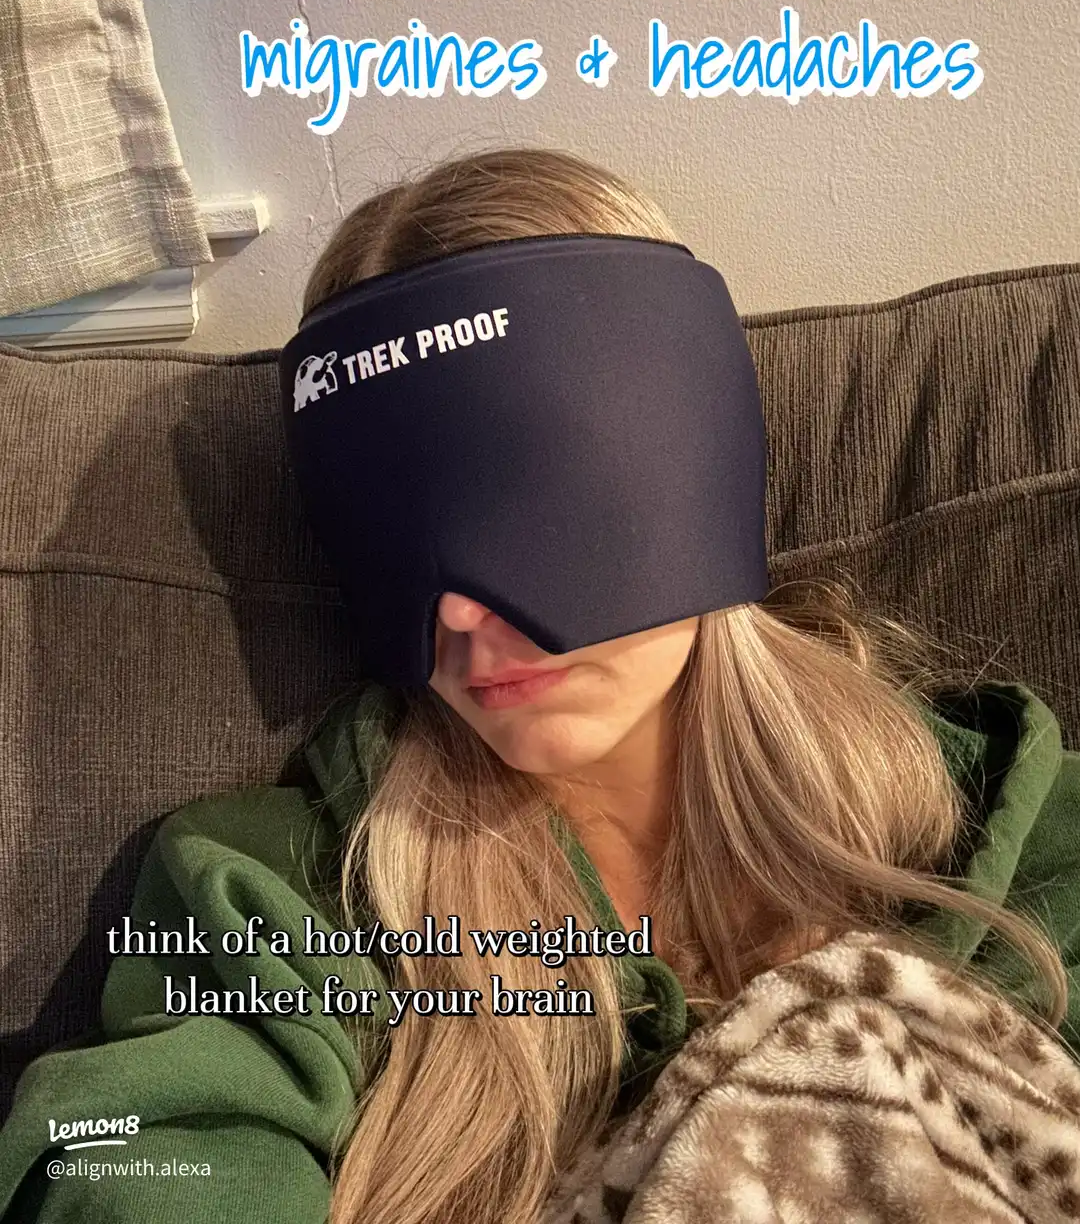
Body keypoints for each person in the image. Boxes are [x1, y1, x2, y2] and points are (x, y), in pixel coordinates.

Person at [1, 146, 1079, 1224]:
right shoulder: (282, 885)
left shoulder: (999, 821)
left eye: (533, 501)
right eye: (395, 539)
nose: (464, 616)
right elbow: (139, 1157)